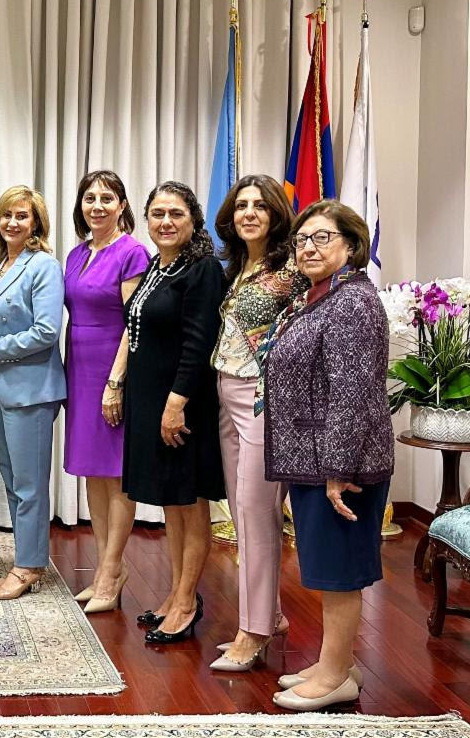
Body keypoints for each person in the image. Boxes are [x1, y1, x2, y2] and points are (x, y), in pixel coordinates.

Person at [261, 200, 392, 711]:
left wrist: (337, 470)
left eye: (321, 238)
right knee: (325, 566)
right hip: (314, 459)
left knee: (338, 570)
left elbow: (352, 393)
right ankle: (337, 662)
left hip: (340, 466)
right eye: (301, 240)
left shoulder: (352, 302)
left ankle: (336, 676)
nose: (308, 248)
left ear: (351, 245)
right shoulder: (322, 296)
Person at [208, 174, 307, 671]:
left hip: (264, 400)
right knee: (241, 512)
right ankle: (270, 613)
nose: (249, 213)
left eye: (259, 206)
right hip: (226, 391)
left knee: (256, 511)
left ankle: (253, 633)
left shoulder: (292, 266)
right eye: (241, 205)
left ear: (275, 214)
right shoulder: (235, 266)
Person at [122, 181, 226, 643]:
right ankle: (174, 592)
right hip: (151, 399)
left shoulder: (202, 270)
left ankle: (187, 601)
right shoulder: (157, 267)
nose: (165, 222)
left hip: (181, 404)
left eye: (176, 214)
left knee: (190, 502)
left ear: (193, 221)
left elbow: (198, 341)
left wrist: (176, 404)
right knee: (170, 503)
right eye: (157, 213)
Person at [0, 186, 66, 600]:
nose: (13, 222)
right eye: (7, 214)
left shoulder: (43, 266)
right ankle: (25, 558)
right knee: (12, 479)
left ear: (36, 223)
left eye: (22, 215)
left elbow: (47, 332)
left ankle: (28, 565)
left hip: (31, 390)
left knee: (29, 483)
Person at [62, 171, 150, 613]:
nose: (97, 206)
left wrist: (115, 382)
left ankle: (113, 569)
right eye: (89, 198)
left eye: (106, 198)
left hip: (111, 370)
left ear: (121, 205)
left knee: (115, 472)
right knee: (92, 472)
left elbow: (134, 324)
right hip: (78, 367)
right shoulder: (76, 254)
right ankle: (103, 567)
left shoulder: (132, 252)